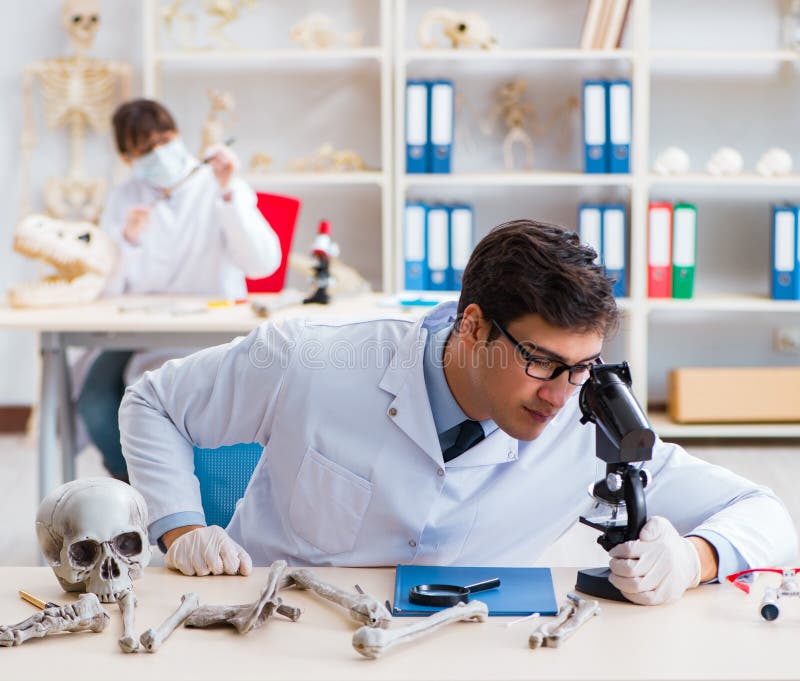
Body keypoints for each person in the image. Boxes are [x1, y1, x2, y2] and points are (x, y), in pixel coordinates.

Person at [119, 220, 797, 605]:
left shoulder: (586, 420)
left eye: (581, 366)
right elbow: (153, 400)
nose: (561, 395)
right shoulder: (310, 359)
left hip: (462, 653)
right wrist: (179, 528)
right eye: (541, 362)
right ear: (473, 326)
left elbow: (767, 510)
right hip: (271, 632)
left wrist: (695, 558)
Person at [78, 98, 281, 481]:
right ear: (127, 158)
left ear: (179, 136)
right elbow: (106, 290)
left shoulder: (218, 184)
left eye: (164, 139)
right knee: (94, 404)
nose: (159, 152)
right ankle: (138, 486)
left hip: (216, 330)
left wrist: (228, 194)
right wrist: (127, 241)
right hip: (142, 333)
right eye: (145, 149)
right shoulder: (126, 197)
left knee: (199, 409)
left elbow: (262, 263)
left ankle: (199, 492)